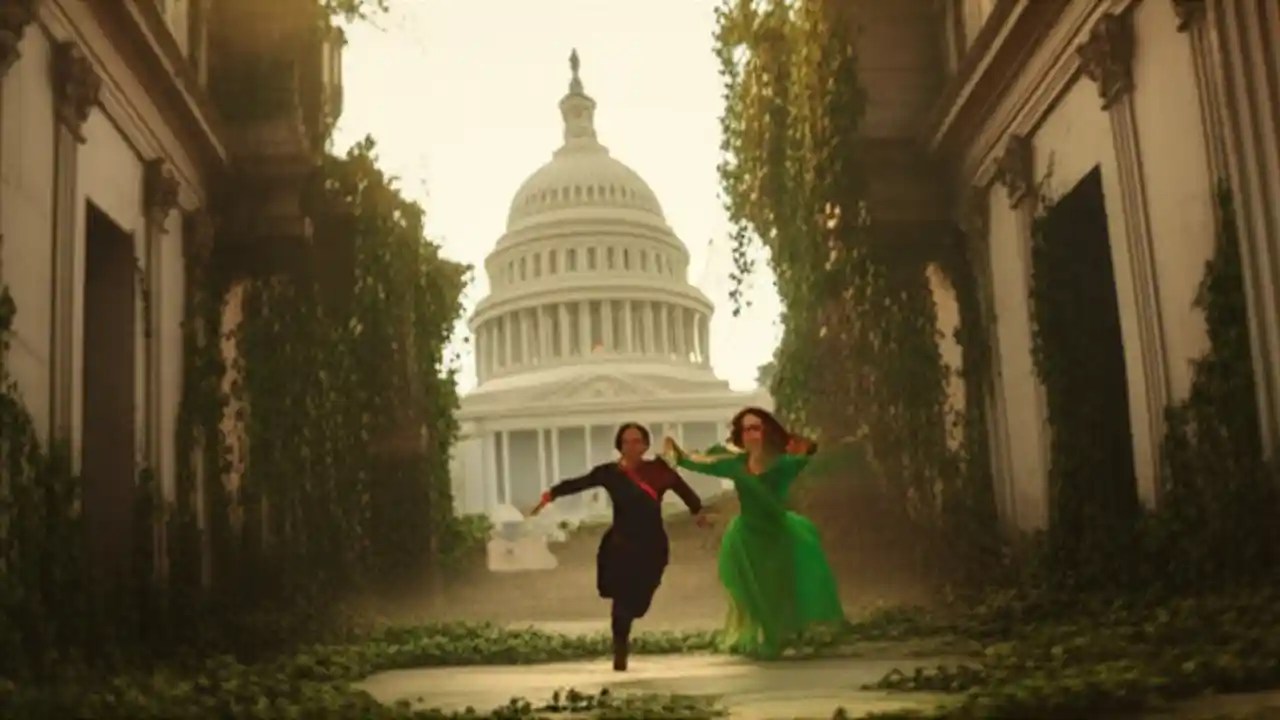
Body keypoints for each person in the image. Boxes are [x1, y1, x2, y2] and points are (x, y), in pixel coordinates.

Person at [663, 407, 844, 659]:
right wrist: (677, 455)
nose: (751, 434)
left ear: (766, 431)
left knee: (782, 584)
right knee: (755, 589)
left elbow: (809, 450)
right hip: (747, 535)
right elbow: (701, 464)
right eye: (746, 429)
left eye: (756, 428)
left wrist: (787, 439)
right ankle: (769, 638)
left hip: (779, 531)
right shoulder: (734, 464)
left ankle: (790, 633)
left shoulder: (782, 463)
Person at [530, 422, 709, 671]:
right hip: (622, 546)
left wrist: (698, 512)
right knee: (622, 602)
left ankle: (628, 622)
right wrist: (553, 493)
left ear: (646, 445)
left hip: (652, 546)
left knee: (640, 601)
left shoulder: (659, 471)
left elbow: (684, 491)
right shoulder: (610, 473)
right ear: (619, 446)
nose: (631, 446)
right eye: (626, 442)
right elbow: (581, 482)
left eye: (637, 441)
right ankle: (620, 651)